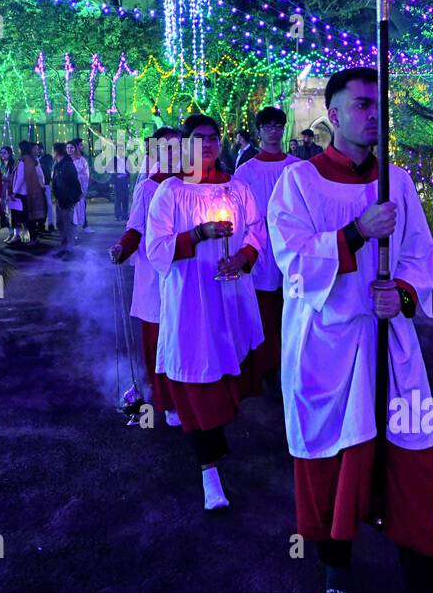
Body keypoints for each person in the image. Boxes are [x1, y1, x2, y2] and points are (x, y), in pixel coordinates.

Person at [268, 67, 433, 593]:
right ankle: (335, 568)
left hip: (389, 340)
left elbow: (417, 256)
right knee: (335, 462)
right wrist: (356, 232)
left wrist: (404, 292)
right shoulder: (298, 181)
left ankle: (420, 571)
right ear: (334, 115)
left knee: (405, 453)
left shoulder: (398, 181)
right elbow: (293, 265)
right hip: (327, 346)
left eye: (378, 106)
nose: (373, 116)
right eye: (362, 105)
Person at [145, 114, 265, 512]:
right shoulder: (170, 192)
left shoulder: (237, 187)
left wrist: (245, 257)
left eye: (214, 138)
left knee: (225, 375)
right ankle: (208, 471)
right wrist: (198, 234)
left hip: (229, 298)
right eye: (199, 139)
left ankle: (214, 447)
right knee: (197, 379)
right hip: (190, 301)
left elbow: (258, 229)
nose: (208, 144)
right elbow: (156, 248)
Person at [110, 126, 182, 422]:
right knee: (158, 339)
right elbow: (135, 227)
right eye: (164, 147)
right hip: (155, 272)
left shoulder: (195, 185)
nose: (171, 152)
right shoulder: (147, 187)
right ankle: (167, 402)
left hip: (187, 270)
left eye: (177, 147)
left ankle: (191, 395)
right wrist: (122, 248)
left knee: (186, 336)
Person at [234, 107, 297, 399]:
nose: (274, 131)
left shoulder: (298, 168)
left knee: (293, 313)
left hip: (294, 249)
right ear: (259, 130)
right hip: (260, 249)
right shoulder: (246, 172)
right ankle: (265, 370)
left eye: (278, 126)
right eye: (268, 126)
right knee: (263, 313)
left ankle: (292, 368)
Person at [52, 141, 83, 258]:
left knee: (67, 224)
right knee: (60, 224)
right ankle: (64, 246)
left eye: (53, 150)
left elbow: (74, 182)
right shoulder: (58, 165)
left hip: (67, 200)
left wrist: (72, 198)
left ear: (57, 152)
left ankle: (68, 249)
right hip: (60, 199)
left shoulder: (67, 165)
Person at [16, 141, 46, 243]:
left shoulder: (23, 161)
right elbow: (39, 175)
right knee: (31, 217)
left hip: (24, 192)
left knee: (27, 217)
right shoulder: (33, 160)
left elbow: (20, 178)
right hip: (33, 190)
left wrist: (14, 191)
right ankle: (32, 236)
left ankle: (31, 237)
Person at [0, 145, 20, 243]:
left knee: (13, 213)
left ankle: (17, 234)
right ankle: (10, 233)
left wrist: (5, 179)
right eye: (1, 153)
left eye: (5, 152)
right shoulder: (2, 165)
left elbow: (16, 178)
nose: (2, 155)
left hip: (11, 191)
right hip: (3, 191)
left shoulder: (14, 164)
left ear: (10, 154)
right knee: (6, 213)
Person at [71, 138, 90, 228]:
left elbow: (86, 175)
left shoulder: (82, 160)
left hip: (81, 187)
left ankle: (83, 224)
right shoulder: (68, 160)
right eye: (80, 145)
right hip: (71, 188)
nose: (82, 147)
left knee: (81, 206)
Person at [37, 142, 56, 232]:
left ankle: (51, 223)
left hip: (45, 184)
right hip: (36, 186)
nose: (37, 151)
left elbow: (46, 168)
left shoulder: (47, 157)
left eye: (39, 149)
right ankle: (40, 224)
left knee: (48, 204)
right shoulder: (33, 159)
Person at [112, 144, 131, 222]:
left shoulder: (126, 159)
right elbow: (109, 170)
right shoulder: (114, 159)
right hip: (117, 182)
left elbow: (130, 170)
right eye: (119, 149)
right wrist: (115, 176)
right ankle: (117, 215)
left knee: (125, 199)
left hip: (125, 182)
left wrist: (128, 179)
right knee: (117, 200)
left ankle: (125, 215)